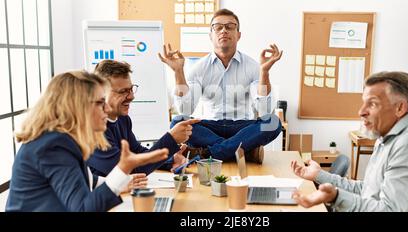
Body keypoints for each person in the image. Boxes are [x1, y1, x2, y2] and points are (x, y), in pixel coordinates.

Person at [6, 71, 168, 212]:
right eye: (99, 103)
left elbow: (83, 179)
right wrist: (122, 171)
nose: (107, 109)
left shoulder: (61, 139)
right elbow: (83, 209)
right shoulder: (53, 146)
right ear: (76, 106)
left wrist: (121, 182)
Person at [291, 71, 408, 212]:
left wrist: (336, 198)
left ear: (400, 108)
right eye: (363, 102)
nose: (361, 111)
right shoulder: (387, 138)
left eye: (372, 103)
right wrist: (319, 175)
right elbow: (367, 189)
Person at [159, 8, 283, 164]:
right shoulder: (198, 68)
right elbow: (186, 110)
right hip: (210, 128)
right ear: (211, 35)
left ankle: (208, 154)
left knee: (272, 122)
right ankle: (242, 151)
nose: (224, 30)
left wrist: (264, 72)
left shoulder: (253, 66)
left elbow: (264, 110)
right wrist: (178, 71)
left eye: (230, 26)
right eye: (218, 27)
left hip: (242, 128)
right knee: (178, 121)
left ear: (238, 34)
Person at [87, 60, 199, 177]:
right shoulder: (92, 128)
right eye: (123, 91)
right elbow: (128, 170)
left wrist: (171, 160)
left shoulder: (123, 119)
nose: (131, 96)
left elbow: (137, 152)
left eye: (131, 89)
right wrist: (171, 139)